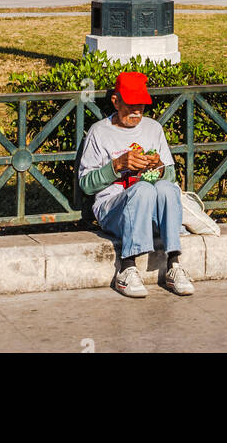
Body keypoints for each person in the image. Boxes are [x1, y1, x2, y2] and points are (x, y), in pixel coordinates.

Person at [77, 71, 198, 299]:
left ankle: (174, 264)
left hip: (150, 212)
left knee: (167, 188)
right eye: (130, 105)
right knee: (142, 189)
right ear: (116, 101)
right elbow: (86, 184)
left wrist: (159, 166)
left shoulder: (153, 129)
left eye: (141, 106)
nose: (136, 112)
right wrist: (116, 166)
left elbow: (169, 176)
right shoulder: (99, 132)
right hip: (113, 210)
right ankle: (127, 266)